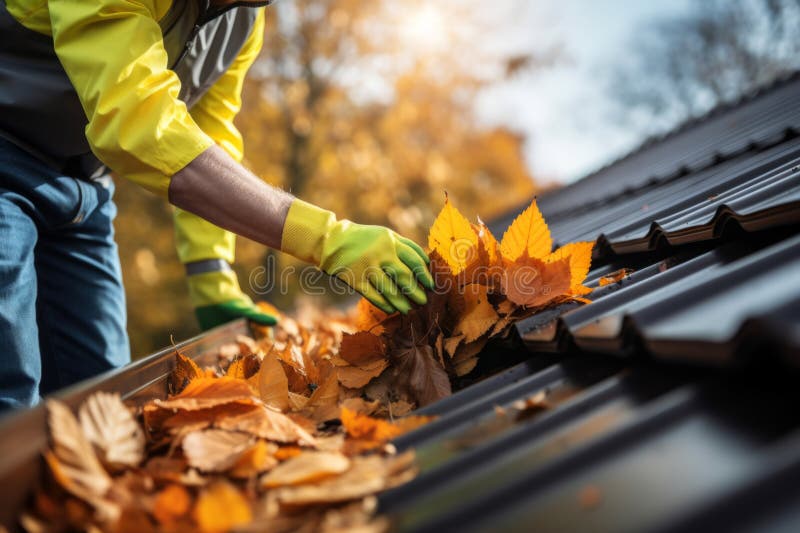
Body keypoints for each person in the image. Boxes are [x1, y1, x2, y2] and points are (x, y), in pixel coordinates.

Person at [0, 0, 433, 410]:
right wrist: (326, 237)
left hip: (84, 189)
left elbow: (209, 131)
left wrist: (212, 274)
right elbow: (140, 126)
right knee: (10, 393)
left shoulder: (243, 18)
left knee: (104, 401)